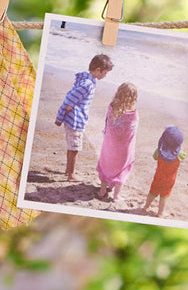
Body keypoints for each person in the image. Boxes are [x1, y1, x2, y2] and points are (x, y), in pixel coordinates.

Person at [54, 52, 113, 182]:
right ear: (98, 70)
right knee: (75, 148)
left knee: (72, 146)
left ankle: (69, 170)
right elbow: (70, 98)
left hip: (74, 119)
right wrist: (62, 115)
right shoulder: (87, 84)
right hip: (75, 121)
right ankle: (71, 174)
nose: (105, 75)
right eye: (105, 73)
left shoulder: (86, 79)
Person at [95, 82, 139, 201]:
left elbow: (107, 123)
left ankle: (102, 191)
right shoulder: (133, 114)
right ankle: (116, 196)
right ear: (134, 98)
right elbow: (132, 133)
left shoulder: (111, 108)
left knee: (106, 166)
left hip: (109, 146)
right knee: (122, 169)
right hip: (124, 150)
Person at [141, 125, 186, 218]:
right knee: (164, 196)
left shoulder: (159, 151)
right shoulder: (180, 154)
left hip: (158, 177)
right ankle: (160, 213)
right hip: (170, 180)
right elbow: (184, 155)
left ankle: (146, 206)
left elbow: (154, 157)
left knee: (153, 192)